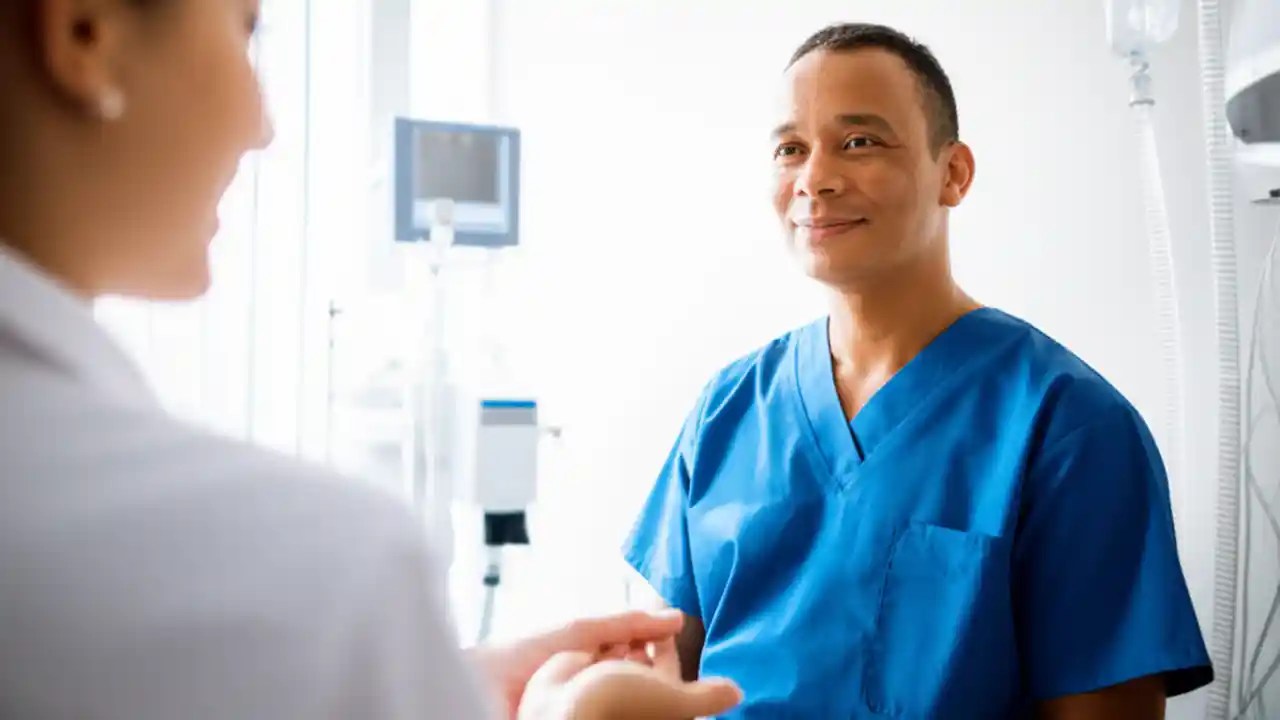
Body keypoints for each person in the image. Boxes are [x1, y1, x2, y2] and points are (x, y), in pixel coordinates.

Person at [0, 1, 744, 719]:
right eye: (245, 27)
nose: (262, 125)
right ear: (83, 29)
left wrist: (434, 681)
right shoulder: (318, 569)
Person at [623, 22, 1214, 719]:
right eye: (791, 149)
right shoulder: (726, 411)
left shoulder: (1069, 427)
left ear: (953, 173)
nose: (815, 178)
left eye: (860, 142)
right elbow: (653, 676)